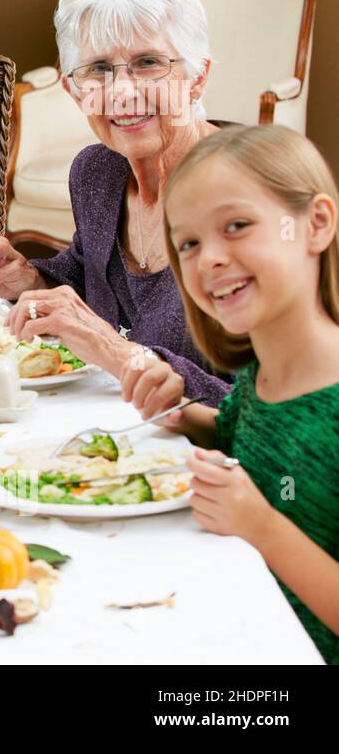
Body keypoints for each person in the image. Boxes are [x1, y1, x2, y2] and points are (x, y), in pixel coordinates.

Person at [0, 0, 231, 405]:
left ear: (198, 77)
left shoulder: (247, 200)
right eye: (99, 69)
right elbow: (97, 276)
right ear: (74, 91)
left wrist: (115, 352)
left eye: (147, 62)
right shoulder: (97, 173)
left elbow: (273, 418)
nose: (122, 92)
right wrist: (30, 280)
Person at [133, 125, 338, 664]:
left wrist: (262, 527)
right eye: (190, 243)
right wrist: (186, 417)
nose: (210, 260)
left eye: (238, 226)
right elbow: (247, 443)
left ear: (314, 225)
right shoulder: (261, 378)